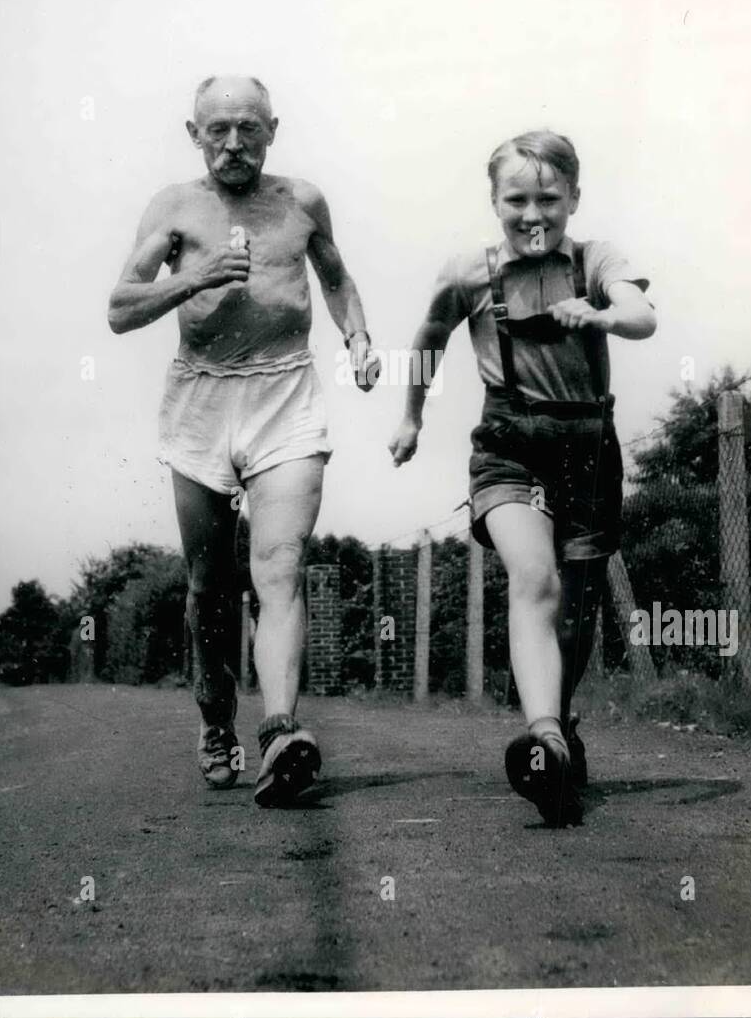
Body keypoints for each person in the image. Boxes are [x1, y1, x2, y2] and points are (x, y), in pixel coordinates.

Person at [108, 75, 379, 805]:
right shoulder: (173, 207)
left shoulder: (301, 201)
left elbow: (337, 277)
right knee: (208, 587)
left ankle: (282, 731)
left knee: (279, 565)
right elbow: (119, 308)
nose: (234, 143)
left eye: (249, 129)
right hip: (201, 396)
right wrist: (192, 277)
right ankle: (215, 719)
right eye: (218, 129)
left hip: (285, 392)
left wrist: (356, 335)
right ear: (193, 133)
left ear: (273, 129)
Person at [389, 129, 655, 825]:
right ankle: (541, 737)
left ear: (574, 197)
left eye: (549, 199)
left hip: (589, 448)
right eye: (516, 200)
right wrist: (410, 417)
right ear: (494, 200)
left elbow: (641, 314)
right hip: (509, 448)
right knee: (535, 579)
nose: (533, 215)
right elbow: (426, 342)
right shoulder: (468, 273)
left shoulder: (597, 259)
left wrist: (598, 313)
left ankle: (560, 729)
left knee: (577, 609)